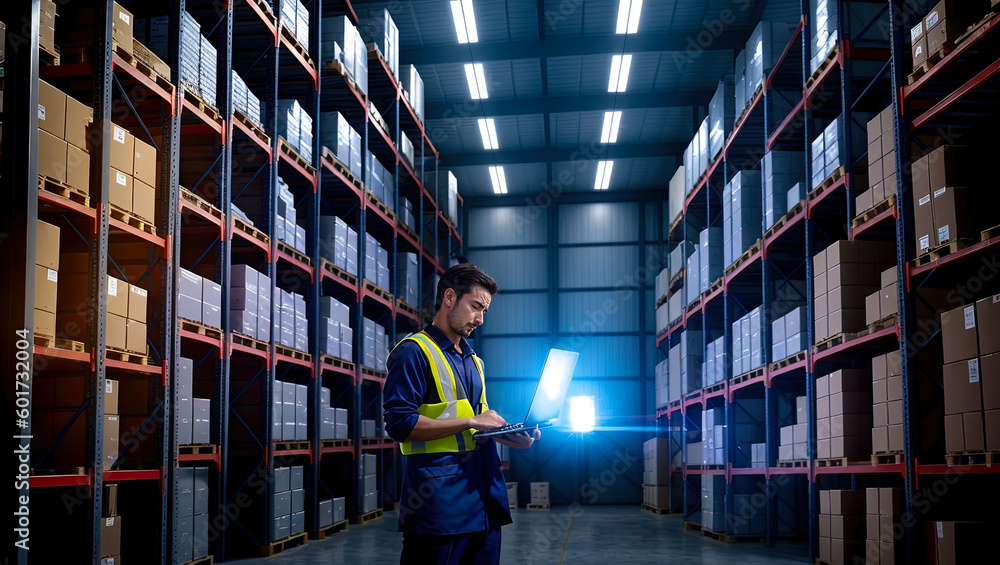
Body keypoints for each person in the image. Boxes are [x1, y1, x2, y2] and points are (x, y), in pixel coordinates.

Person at [383, 263, 540, 564]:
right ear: (450, 297)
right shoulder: (414, 352)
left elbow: (479, 427)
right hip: (439, 505)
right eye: (476, 307)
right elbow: (400, 424)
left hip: (484, 502)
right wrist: (470, 421)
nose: (480, 319)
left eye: (485, 311)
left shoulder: (474, 361)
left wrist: (512, 437)